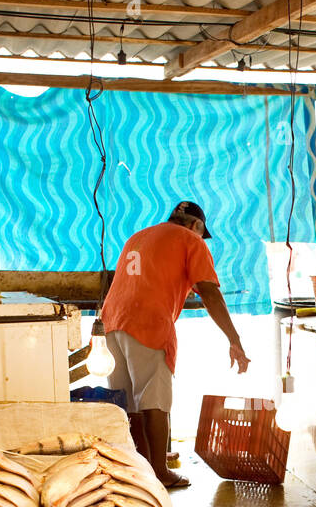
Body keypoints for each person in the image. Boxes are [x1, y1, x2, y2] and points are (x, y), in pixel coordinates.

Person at [100, 201, 250, 488]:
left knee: (127, 401)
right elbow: (208, 291)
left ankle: (138, 468)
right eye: (201, 233)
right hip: (148, 322)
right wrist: (235, 340)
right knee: (154, 399)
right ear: (196, 226)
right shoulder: (190, 240)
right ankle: (159, 472)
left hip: (112, 321)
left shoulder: (139, 236)